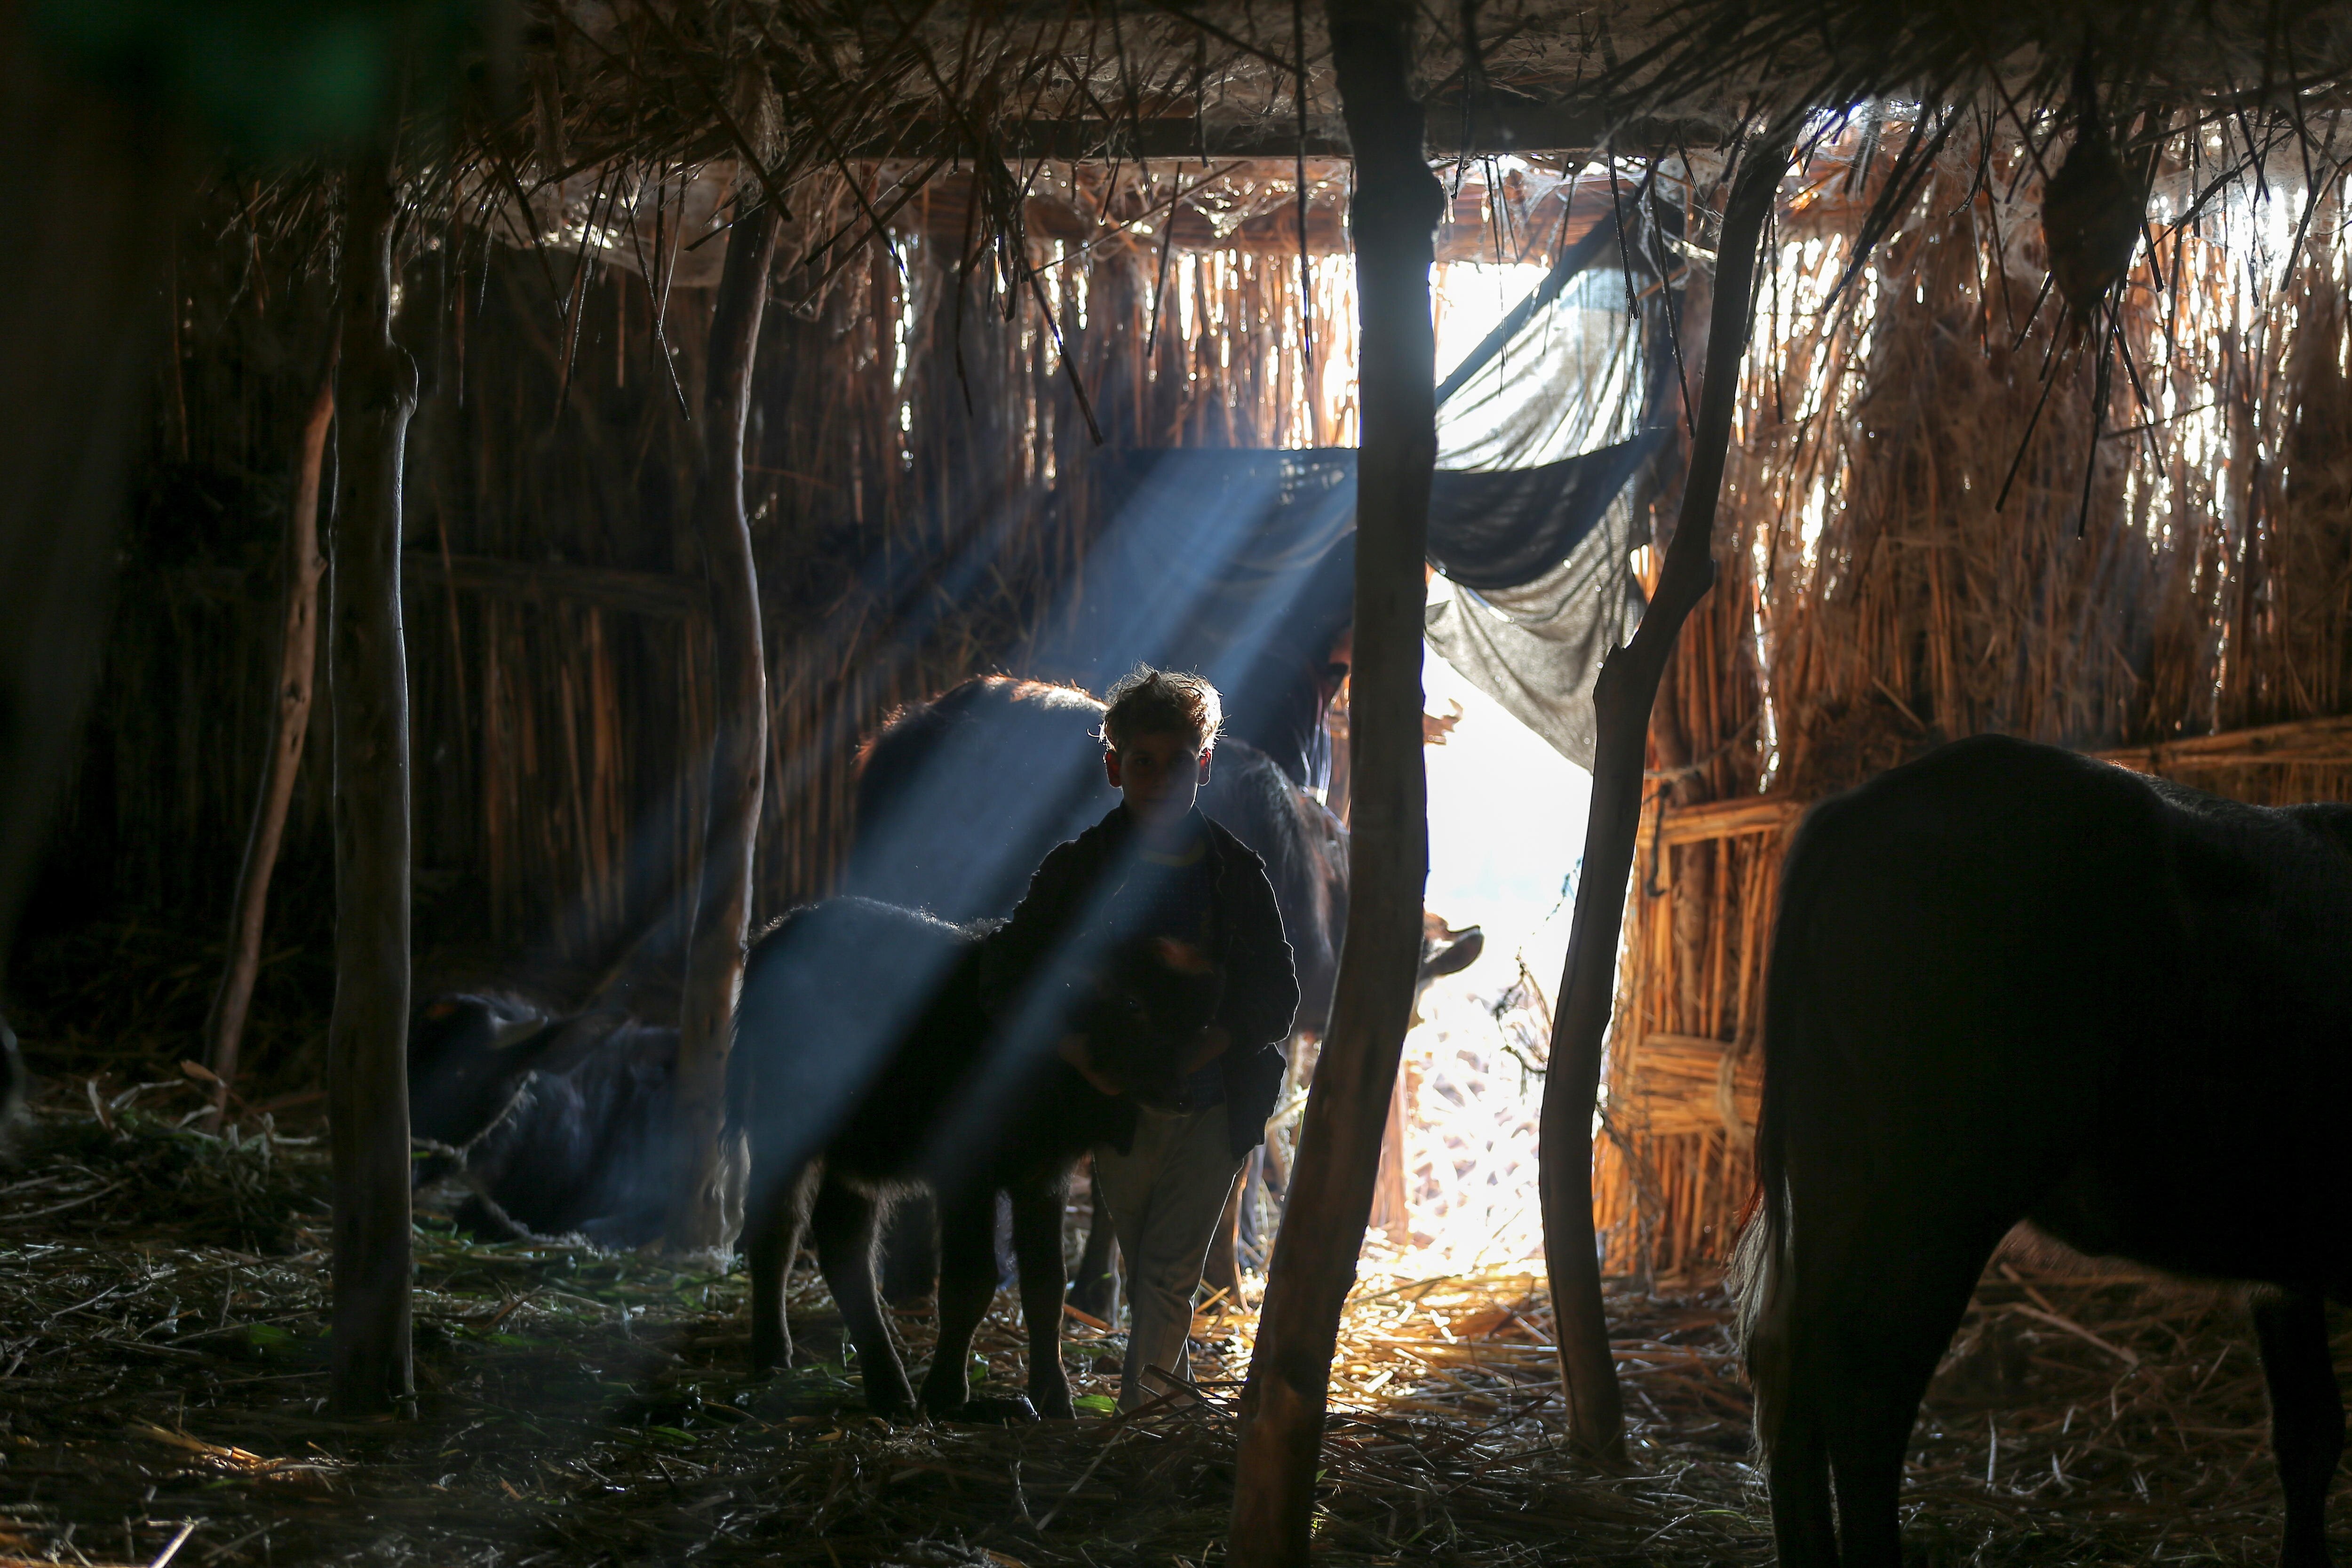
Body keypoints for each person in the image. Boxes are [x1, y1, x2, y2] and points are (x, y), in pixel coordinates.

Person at [979, 666, 1299, 1410]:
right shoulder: (1080, 871)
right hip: (1118, 1107)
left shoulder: (1234, 875)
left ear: (1206, 765)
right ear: (1114, 766)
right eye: (1143, 762)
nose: (1160, 779)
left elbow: (1277, 994)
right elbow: (1008, 973)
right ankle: (1172, 1408)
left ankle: (1136, 1429)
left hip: (1214, 1103)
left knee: (1165, 1274)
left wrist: (1204, 1045)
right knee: (1153, 1266)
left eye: (1179, 762)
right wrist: (1082, 1058)